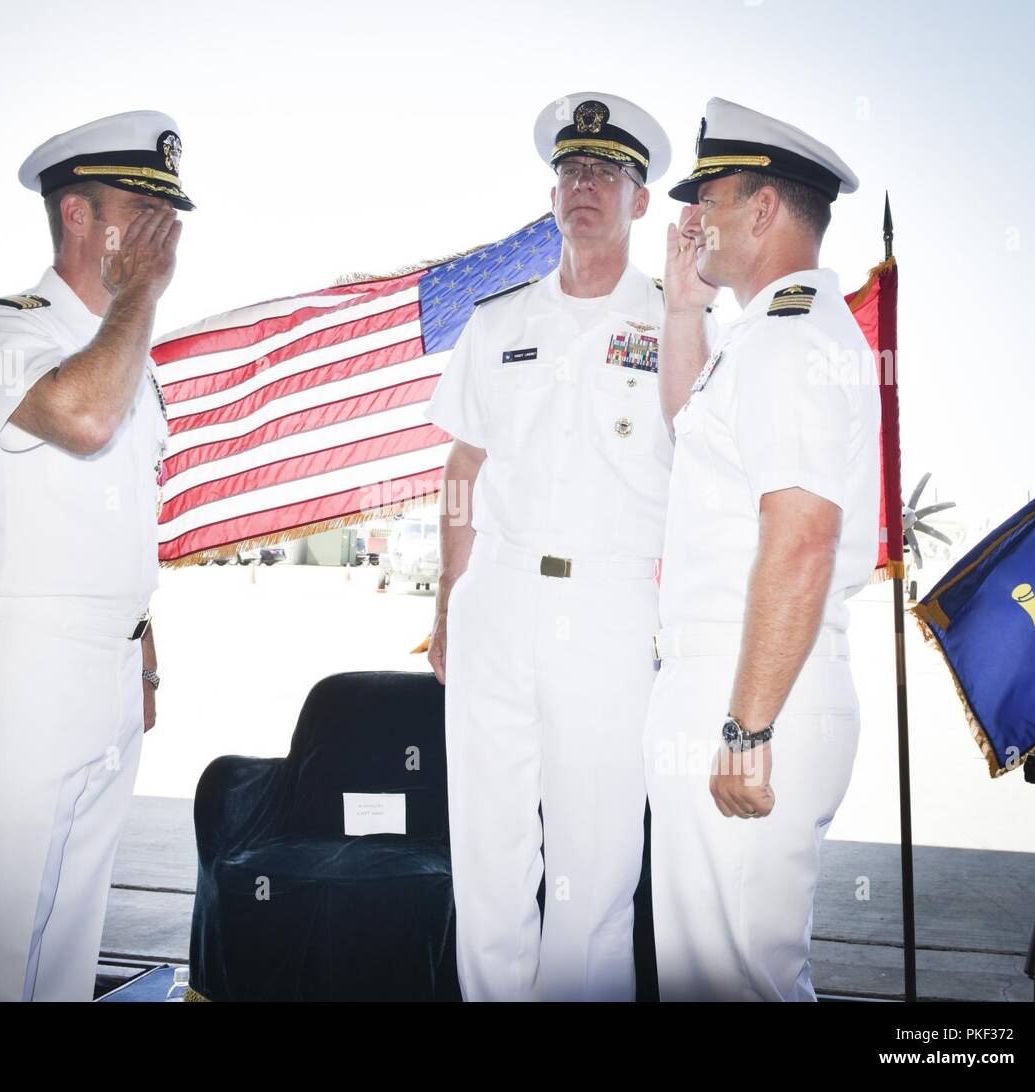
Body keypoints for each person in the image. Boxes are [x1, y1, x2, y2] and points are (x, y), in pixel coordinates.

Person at [425, 92, 698, 1001]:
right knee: (489, 851)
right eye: (572, 171)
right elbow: (465, 464)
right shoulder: (498, 322)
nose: (586, 185)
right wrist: (446, 609)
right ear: (552, 195)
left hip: (611, 610)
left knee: (596, 857)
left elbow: (708, 479)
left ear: (640, 201)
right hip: (495, 600)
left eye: (608, 173)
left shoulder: (679, 326)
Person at [0, 110, 190, 1001]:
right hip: (22, 669)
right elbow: (84, 421)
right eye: (140, 211)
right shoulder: (0, 333)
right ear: (76, 215)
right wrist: (141, 295)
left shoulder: (128, 351)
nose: (164, 234)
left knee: (69, 943)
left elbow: (120, 512)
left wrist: (140, 646)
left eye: (168, 215)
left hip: (107, 671)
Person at [645, 97, 881, 1001]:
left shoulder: (790, 343)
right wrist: (683, 308)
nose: (691, 217)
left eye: (709, 196)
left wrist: (747, 727)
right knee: (718, 976)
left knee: (738, 980)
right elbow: (685, 426)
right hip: (736, 680)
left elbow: (803, 538)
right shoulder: (766, 340)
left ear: (765, 209)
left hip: (753, 690)